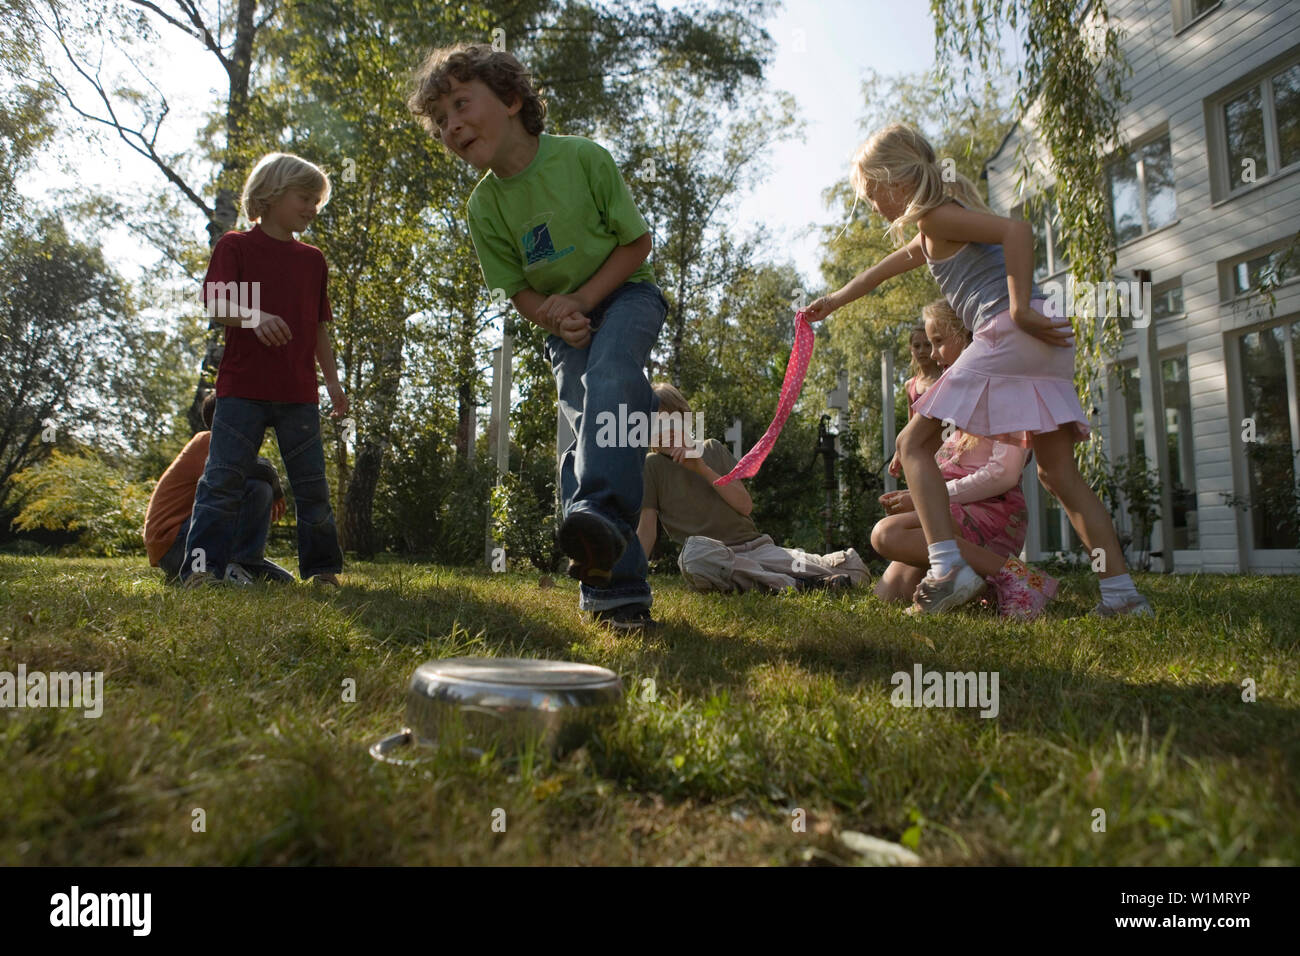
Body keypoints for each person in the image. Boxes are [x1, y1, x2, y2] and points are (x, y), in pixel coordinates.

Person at [805, 122, 1150, 617]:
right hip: (1045, 342)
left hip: (1011, 329)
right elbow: (877, 272)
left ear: (894, 180)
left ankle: (948, 568)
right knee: (1058, 475)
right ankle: (1122, 597)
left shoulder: (939, 218)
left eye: (871, 194)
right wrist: (833, 301)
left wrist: (1019, 309)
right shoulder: (935, 228)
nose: (873, 206)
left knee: (912, 444)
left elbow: (1018, 230)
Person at [409, 43, 668, 632]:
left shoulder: (583, 159)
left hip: (628, 295)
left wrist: (582, 298)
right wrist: (556, 317)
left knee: (612, 380)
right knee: (584, 430)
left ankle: (597, 513)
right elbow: (518, 292)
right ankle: (614, 594)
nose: (451, 125)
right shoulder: (484, 209)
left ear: (512, 99)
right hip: (565, 325)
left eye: (460, 104)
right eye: (440, 121)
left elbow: (636, 245)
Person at [181, 152, 347, 587]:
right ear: (271, 195)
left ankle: (324, 573)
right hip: (242, 390)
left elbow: (319, 328)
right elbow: (215, 303)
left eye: (317, 200)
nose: (313, 208)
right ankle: (202, 571)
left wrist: (333, 385)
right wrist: (255, 317)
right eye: (305, 197)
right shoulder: (234, 246)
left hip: (299, 394)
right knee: (220, 482)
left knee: (312, 488)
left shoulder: (313, 261)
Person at [872, 300, 1056, 620]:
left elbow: (1004, 474)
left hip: (993, 515)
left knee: (887, 535)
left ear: (970, 338)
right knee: (889, 594)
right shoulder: (957, 396)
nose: (932, 354)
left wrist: (927, 500)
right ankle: (988, 590)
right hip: (956, 514)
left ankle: (1021, 578)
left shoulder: (1006, 388)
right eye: (929, 344)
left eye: (939, 342)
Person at [637, 383, 869, 594]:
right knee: (694, 558)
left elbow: (745, 506)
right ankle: (798, 584)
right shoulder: (652, 466)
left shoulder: (711, 449)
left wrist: (702, 469)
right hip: (715, 558)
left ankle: (781, 582)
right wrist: (631, 577)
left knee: (855, 571)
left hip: (756, 549)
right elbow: (646, 531)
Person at [143, 392, 294, 584]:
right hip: (175, 545)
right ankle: (233, 565)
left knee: (283, 581)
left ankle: (242, 564)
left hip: (195, 541)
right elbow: (259, 468)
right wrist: (275, 487)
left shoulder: (227, 448)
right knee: (258, 486)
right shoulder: (207, 441)